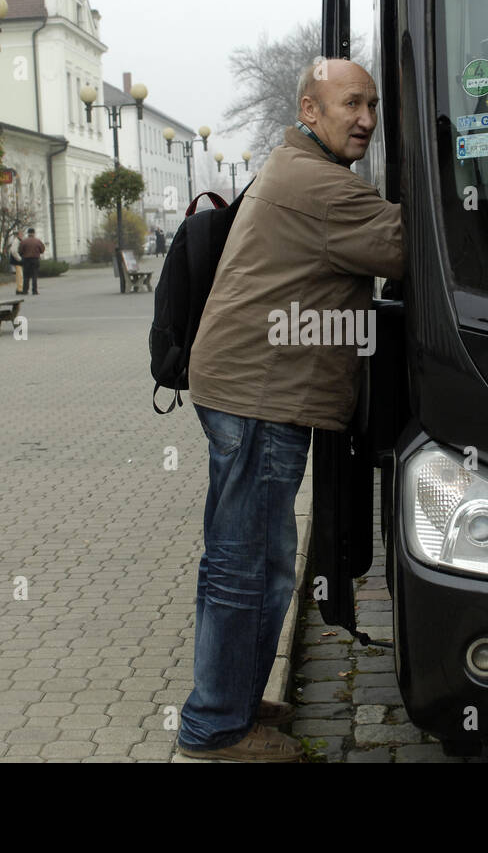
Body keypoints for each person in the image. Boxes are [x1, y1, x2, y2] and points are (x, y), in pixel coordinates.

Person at [178, 58, 404, 762]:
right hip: (259, 395)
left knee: (254, 559)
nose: (365, 118)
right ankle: (215, 726)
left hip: (247, 386)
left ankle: (236, 698)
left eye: (371, 105)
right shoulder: (322, 187)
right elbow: (410, 248)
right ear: (310, 110)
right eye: (349, 105)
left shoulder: (295, 165)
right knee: (246, 563)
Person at [19, 226, 44, 295]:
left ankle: (25, 290)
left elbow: (20, 251)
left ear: (28, 233)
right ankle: (34, 291)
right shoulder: (38, 241)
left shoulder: (24, 241)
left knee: (26, 276)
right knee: (34, 276)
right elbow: (42, 250)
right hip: (35, 260)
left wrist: (24, 254)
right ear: (34, 233)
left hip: (26, 260)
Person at [7, 227, 24, 294]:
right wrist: (20, 259)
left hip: (17, 259)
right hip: (17, 260)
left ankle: (19, 288)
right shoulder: (16, 241)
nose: (22, 235)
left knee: (19, 275)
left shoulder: (17, 240)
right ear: (18, 234)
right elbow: (14, 251)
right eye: (21, 234)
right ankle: (19, 289)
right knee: (20, 275)